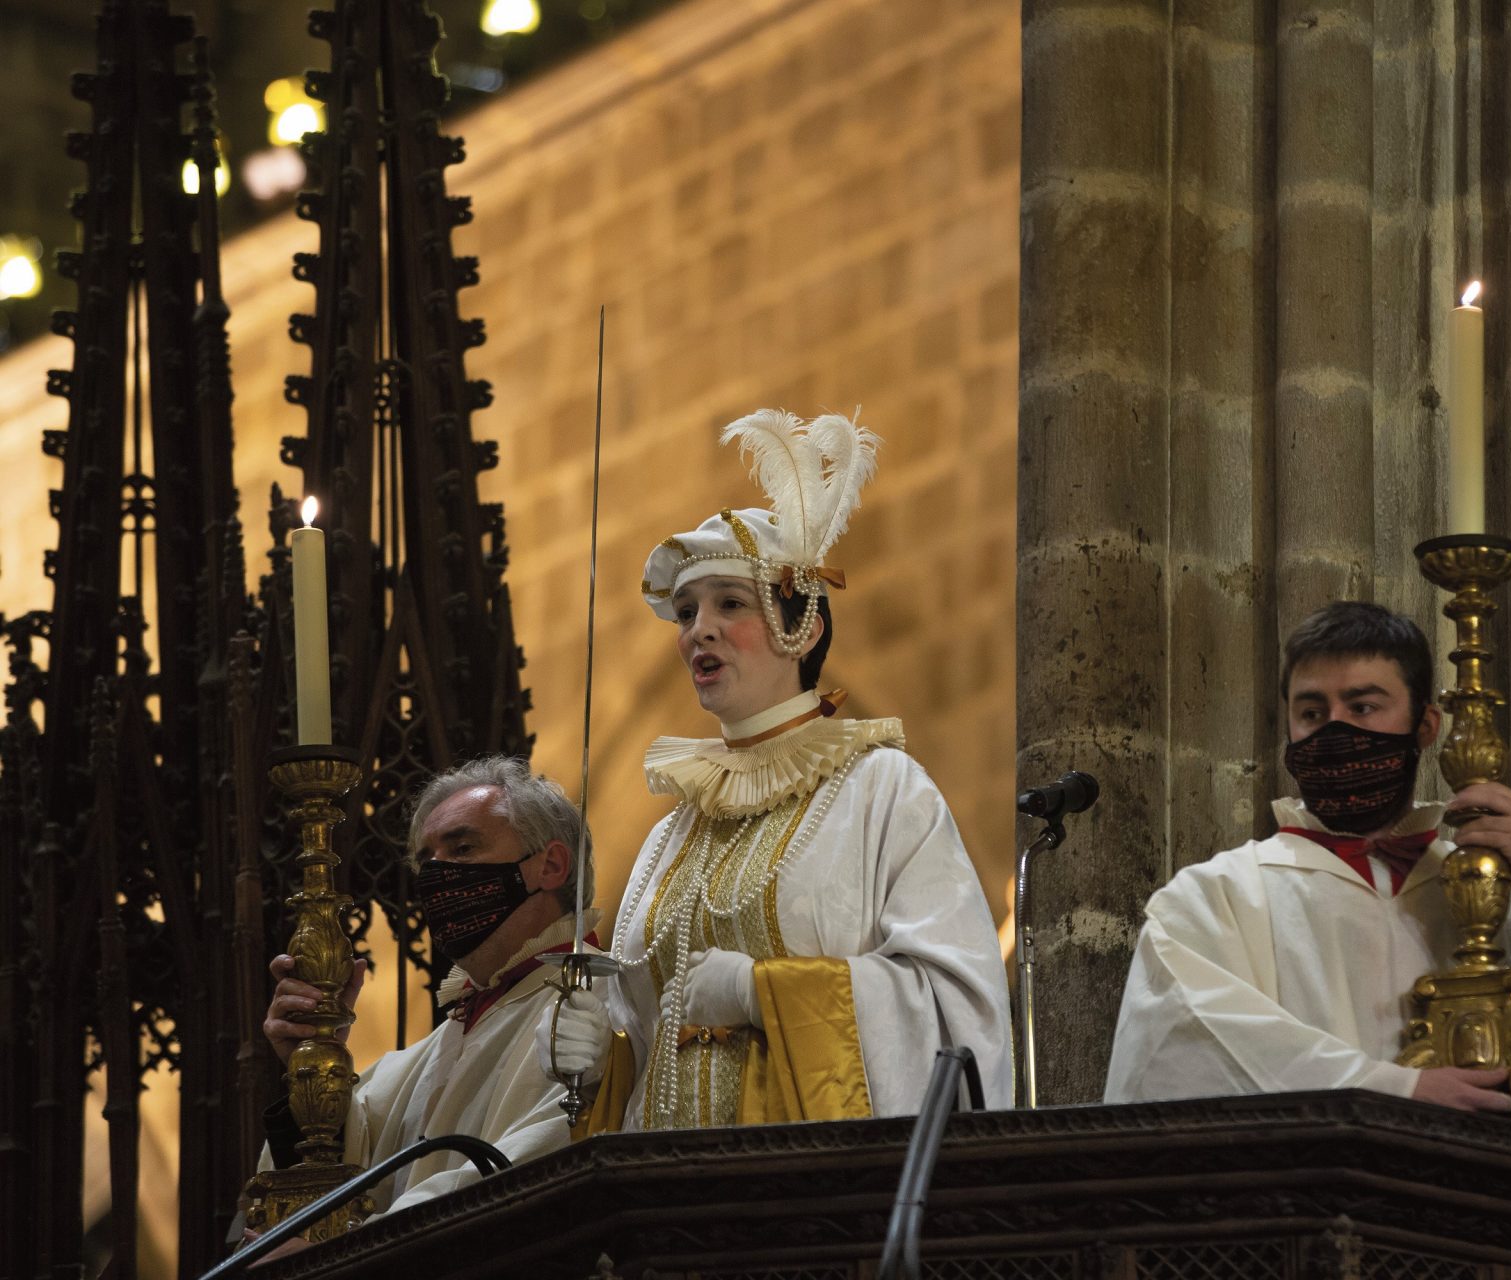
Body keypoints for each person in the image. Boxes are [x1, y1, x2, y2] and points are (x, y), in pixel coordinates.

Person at [546, 408, 1012, 1130]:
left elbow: (959, 1008)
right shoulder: (671, 836)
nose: (698, 628)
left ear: (805, 626)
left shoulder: (881, 791)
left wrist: (767, 992)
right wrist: (600, 1063)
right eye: (685, 612)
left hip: (812, 1203)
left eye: (729, 604)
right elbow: (643, 1039)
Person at [1103, 601, 1511, 1150]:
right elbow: (1187, 1053)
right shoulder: (1214, 899)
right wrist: (1397, 1092)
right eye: (1312, 712)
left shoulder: (1490, 893)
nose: (1335, 730)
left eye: (1362, 707)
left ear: (1426, 726)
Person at [255, 755, 601, 1236]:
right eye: (426, 861)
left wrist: (353, 1243)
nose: (437, 877)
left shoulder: (595, 1004)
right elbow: (326, 1182)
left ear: (551, 865)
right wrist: (314, 1064)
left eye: (462, 849)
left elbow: (530, 1171)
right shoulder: (432, 1049)